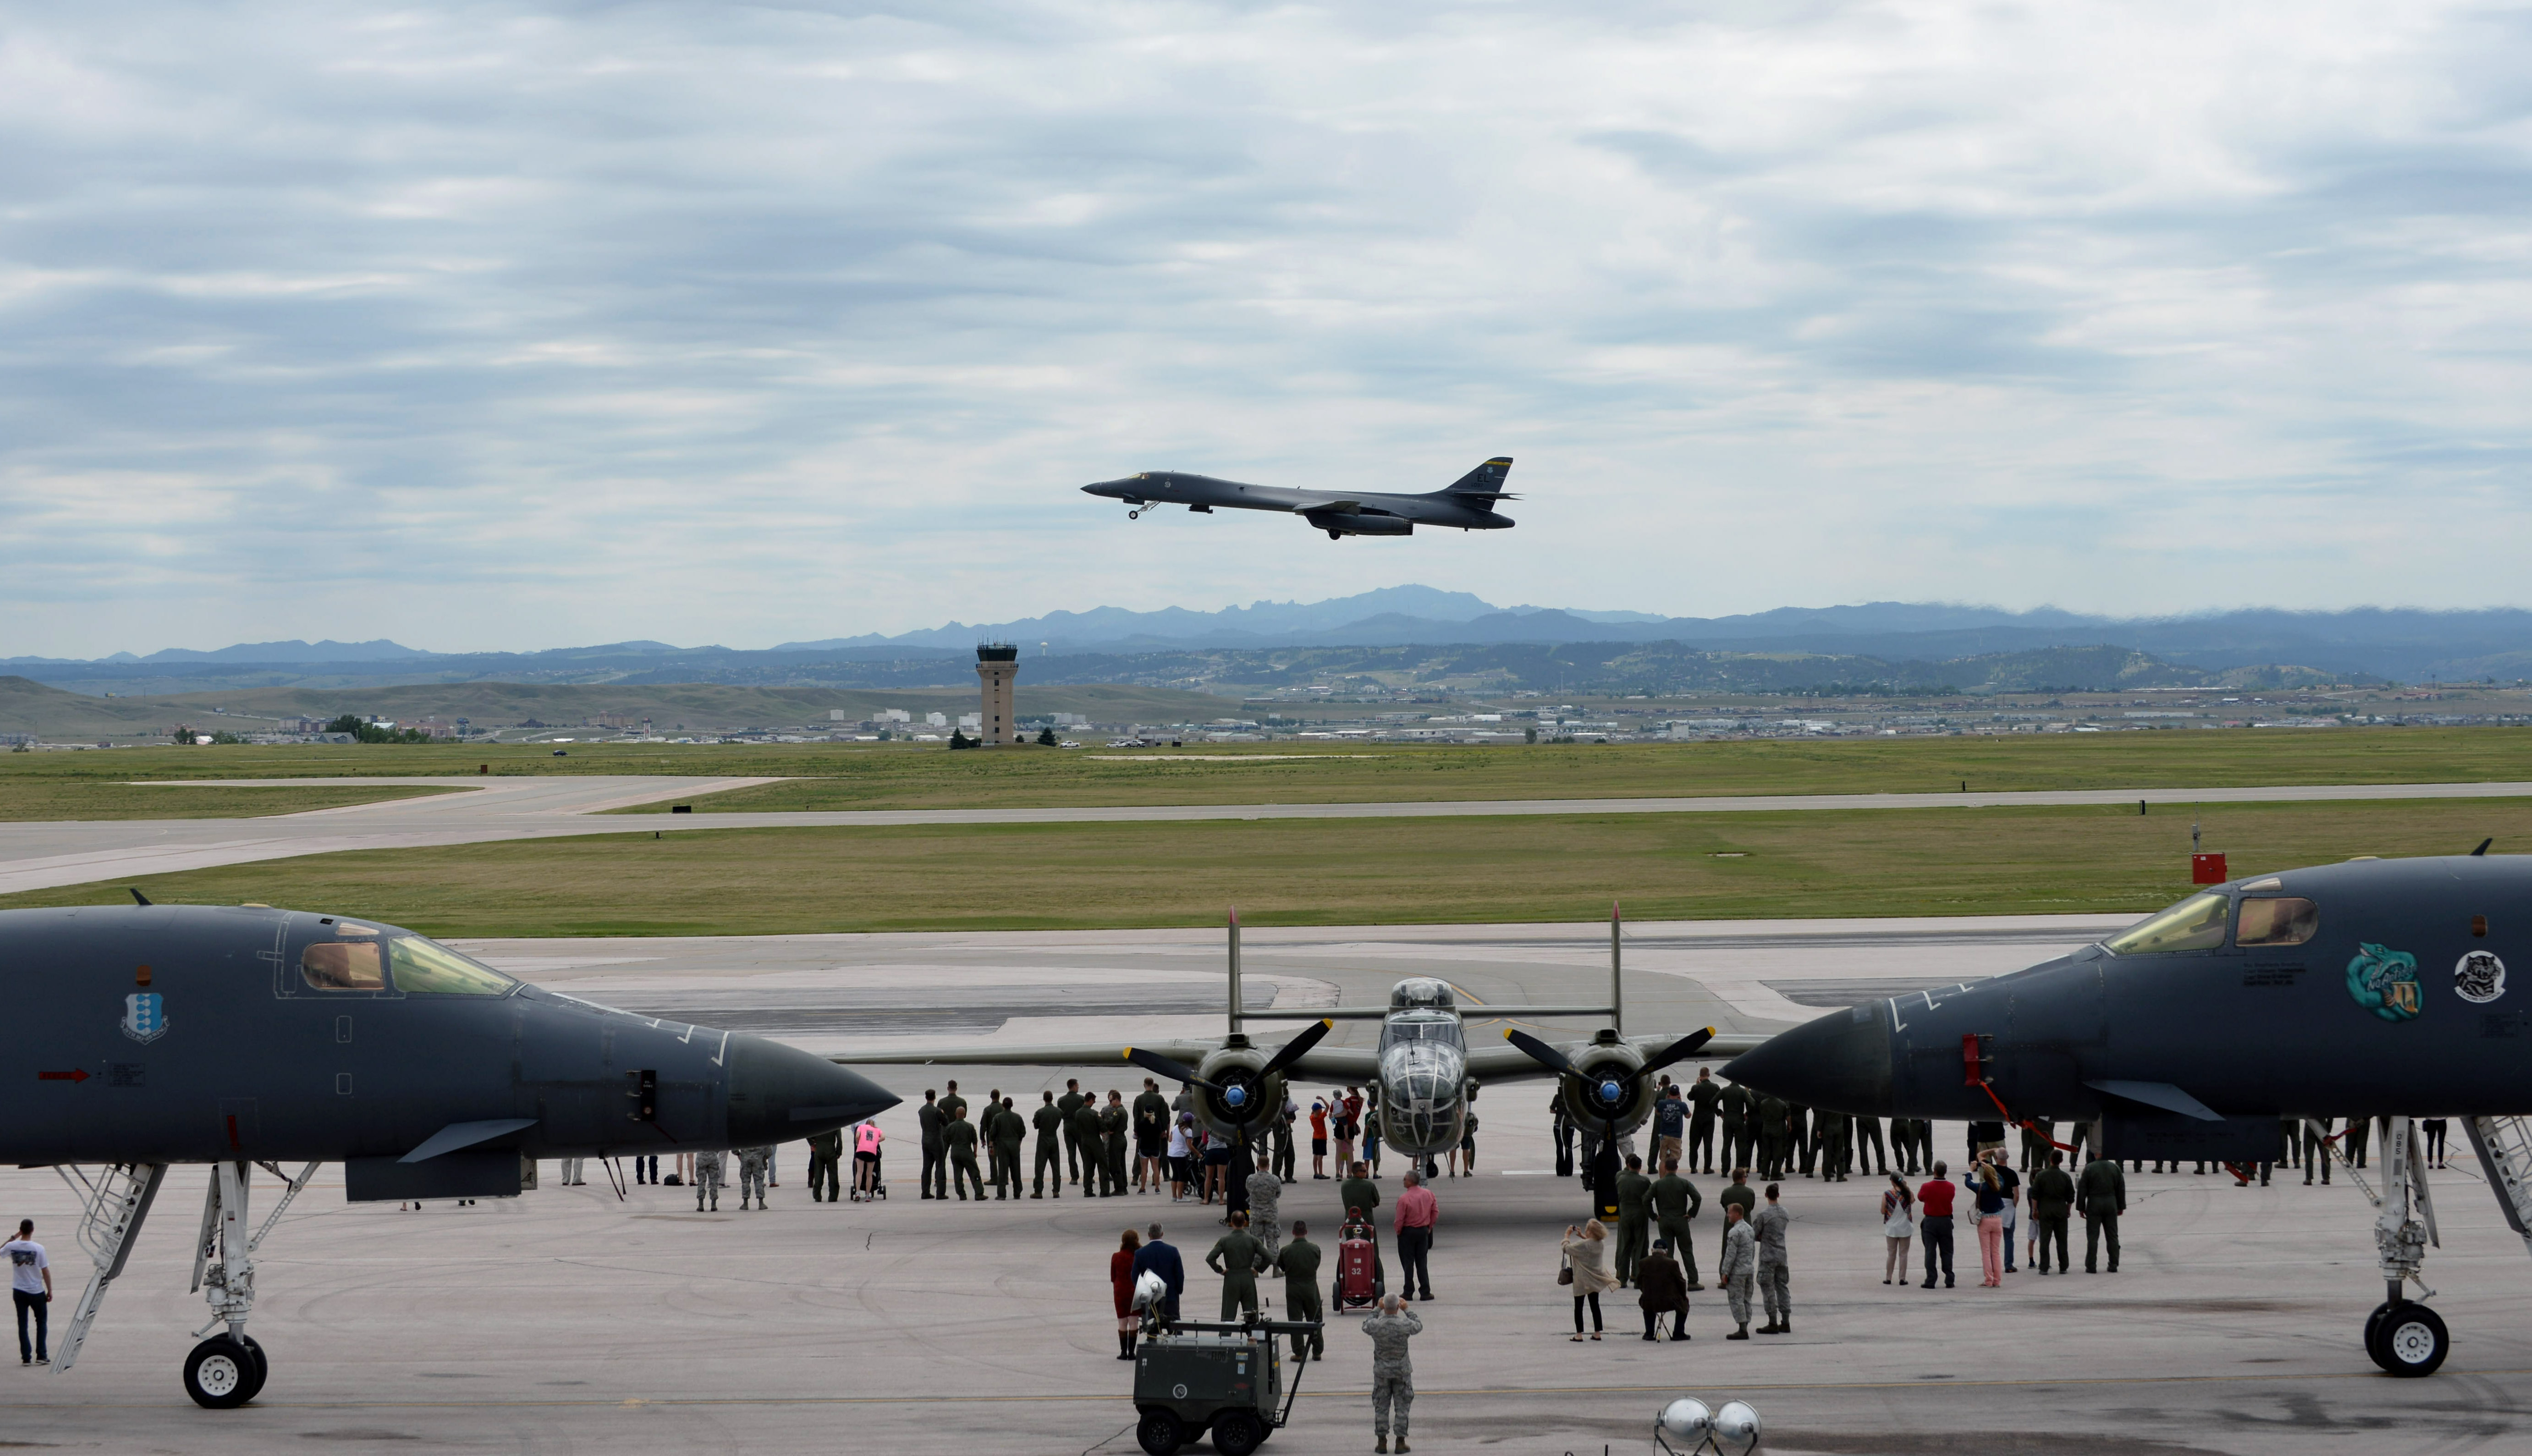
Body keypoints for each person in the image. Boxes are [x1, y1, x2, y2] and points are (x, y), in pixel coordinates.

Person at [1361, 1293, 1423, 1455]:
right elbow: (1419, 1325)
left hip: (1382, 1372)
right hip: (1401, 1372)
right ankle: (1400, 1442)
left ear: (1385, 1307)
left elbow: (1365, 1325)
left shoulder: (1376, 1325)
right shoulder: (1404, 1324)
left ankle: (1382, 1442)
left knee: (1382, 1407)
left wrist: (1377, 1308)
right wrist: (1407, 1310)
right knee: (1402, 1407)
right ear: (1397, 1307)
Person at [1207, 1211, 1271, 1320]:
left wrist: (1220, 1270)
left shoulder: (1225, 1241)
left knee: (1228, 1317)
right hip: (1248, 1278)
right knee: (1252, 1316)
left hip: (1231, 1278)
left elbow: (1210, 1258)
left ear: (1232, 1223)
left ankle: (1225, 1336)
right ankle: (1253, 1336)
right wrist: (1258, 1269)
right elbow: (1268, 1257)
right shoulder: (1252, 1240)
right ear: (1245, 1222)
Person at [1277, 1220, 1325, 1363]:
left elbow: (1282, 1267)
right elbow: (1316, 1265)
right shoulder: (1315, 1249)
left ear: (1293, 1233)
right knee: (1315, 1320)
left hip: (1293, 1289)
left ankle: (1299, 1352)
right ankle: (1317, 1351)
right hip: (1311, 1288)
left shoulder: (1286, 1251)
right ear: (1306, 1232)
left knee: (1295, 1321)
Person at [1651, 1158, 1703, 1289]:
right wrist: (1691, 1213)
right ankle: (1693, 1281)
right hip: (1681, 1221)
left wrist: (1654, 1216)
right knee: (1687, 1251)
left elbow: (1646, 1200)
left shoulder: (1658, 1184)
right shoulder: (1684, 1183)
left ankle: (1669, 1281)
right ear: (1677, 1168)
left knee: (1667, 1253)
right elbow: (1697, 1198)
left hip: (1664, 1220)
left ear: (1666, 1169)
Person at [1560, 1219, 1613, 1341]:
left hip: (1582, 1280)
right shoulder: (1601, 1244)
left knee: (1579, 1307)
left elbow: (1566, 1248)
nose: (1585, 1231)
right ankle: (1597, 1333)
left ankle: (1579, 1335)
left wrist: (1567, 1235)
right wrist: (1583, 1237)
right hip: (1594, 1280)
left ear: (1591, 1232)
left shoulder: (1583, 1245)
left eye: (1587, 1230)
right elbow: (1591, 1246)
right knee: (1595, 1305)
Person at [6, 1221, 49, 1366]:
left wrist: (13, 1238)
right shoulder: (39, 1248)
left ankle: (26, 1357)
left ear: (20, 1230)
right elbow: (45, 1270)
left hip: (19, 1290)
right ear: (33, 1231)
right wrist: (50, 1290)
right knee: (41, 1322)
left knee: (23, 1324)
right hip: (36, 1291)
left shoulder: (12, 1246)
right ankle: (41, 1355)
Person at [1339, 1162, 1384, 1295]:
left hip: (1350, 1223)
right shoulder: (1369, 1185)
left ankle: (1351, 1282)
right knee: (1373, 1253)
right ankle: (1378, 1282)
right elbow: (1377, 1201)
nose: (1366, 1173)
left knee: (1351, 1254)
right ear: (1358, 1172)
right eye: (1364, 1171)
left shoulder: (1345, 1185)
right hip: (1366, 1223)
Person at [2079, 1149, 2127, 1273]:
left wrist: (2081, 1207)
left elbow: (2082, 1189)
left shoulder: (2089, 1168)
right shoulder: (2115, 1168)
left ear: (2096, 1155)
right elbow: (2121, 1188)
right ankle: (2114, 1264)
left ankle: (2091, 1265)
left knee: (2093, 1237)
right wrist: (2121, 1206)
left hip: (2094, 1204)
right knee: (2112, 1236)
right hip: (2111, 1203)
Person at [1752, 1183, 1791, 1333]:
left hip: (1768, 1255)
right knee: (1782, 1287)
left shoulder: (1763, 1215)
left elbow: (1754, 1233)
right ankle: (1786, 1321)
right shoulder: (1785, 1213)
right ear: (1778, 1195)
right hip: (1782, 1255)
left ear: (1766, 1195)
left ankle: (1773, 1322)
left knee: (1768, 1288)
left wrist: (1762, 1236)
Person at [1635, 1236, 1691, 1341]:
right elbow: (1682, 1282)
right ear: (1666, 1252)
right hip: (1669, 1302)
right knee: (1684, 1304)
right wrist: (1683, 1297)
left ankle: (1649, 1333)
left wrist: (1646, 1293)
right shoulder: (1673, 1263)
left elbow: (1639, 1282)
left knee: (1647, 1305)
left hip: (1649, 1302)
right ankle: (1678, 1333)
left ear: (1652, 1251)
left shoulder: (1643, 1262)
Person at [2029, 1150, 2075, 1275]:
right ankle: (2064, 1266)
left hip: (2045, 1210)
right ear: (2061, 1161)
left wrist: (2035, 1210)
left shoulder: (2041, 1176)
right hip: (2060, 1209)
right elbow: (2071, 1196)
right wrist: (2068, 1209)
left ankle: (2044, 1267)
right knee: (2062, 1240)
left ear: (2050, 1159)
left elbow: (2035, 1195)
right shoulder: (2065, 1177)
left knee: (2045, 1240)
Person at [1393, 1170, 1437, 1301]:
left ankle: (1408, 1291)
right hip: (1423, 1231)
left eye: (1405, 1179)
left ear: (1411, 1181)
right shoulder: (1429, 1194)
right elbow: (1435, 1211)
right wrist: (1429, 1227)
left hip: (1408, 1232)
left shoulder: (1404, 1199)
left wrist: (1399, 1231)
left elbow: (1399, 1219)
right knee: (1422, 1262)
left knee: (1408, 1263)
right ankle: (1425, 1291)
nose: (1404, 1181)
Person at [1131, 1223, 1185, 1323]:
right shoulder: (1173, 1251)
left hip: (1150, 1296)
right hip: (1170, 1296)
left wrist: (1142, 1291)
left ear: (1149, 1234)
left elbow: (1134, 1276)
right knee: (1175, 1328)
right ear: (1162, 1234)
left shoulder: (1140, 1253)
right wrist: (1178, 1291)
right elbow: (1180, 1274)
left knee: (1152, 1330)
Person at [1965, 1153, 2005, 1286]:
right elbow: (1998, 1175)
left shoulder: (1981, 1188)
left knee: (1986, 1252)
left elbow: (1968, 1183)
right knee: (1996, 1251)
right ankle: (1998, 1280)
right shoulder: (1999, 1185)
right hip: (1997, 1218)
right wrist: (1986, 1165)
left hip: (1985, 1220)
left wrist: (1970, 1171)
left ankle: (1989, 1279)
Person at [1718, 1203, 1756, 1340]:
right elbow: (1753, 1251)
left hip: (1738, 1272)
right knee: (1747, 1299)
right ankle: (1745, 1326)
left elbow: (1730, 1255)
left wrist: (1725, 1272)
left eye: (1730, 1213)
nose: (1728, 1215)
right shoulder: (1750, 1229)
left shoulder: (1735, 1232)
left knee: (1737, 1299)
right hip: (1749, 1269)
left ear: (1737, 1214)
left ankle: (1742, 1329)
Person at [1613, 1154, 1651, 1287]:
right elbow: (1648, 1198)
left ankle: (1622, 1278)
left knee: (1625, 1246)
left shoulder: (1620, 1179)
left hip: (1625, 1214)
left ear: (1628, 1165)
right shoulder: (1644, 1181)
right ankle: (1637, 1276)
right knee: (1640, 1246)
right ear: (1640, 1167)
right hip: (1640, 1213)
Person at [1716, 1167, 1756, 1278]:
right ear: (1742, 1179)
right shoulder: (1750, 1192)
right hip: (1746, 1221)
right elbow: (1751, 1206)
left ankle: (1724, 1275)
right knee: (1746, 1250)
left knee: (1727, 1250)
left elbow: (1724, 1205)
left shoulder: (1726, 1192)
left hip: (1729, 1223)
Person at [1112, 1228, 1145, 1360]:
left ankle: (1123, 1352)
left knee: (1122, 1322)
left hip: (1120, 1291)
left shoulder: (1116, 1256)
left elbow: (1113, 1276)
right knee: (1134, 1322)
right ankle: (1132, 1353)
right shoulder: (1139, 1255)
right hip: (1135, 1291)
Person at [1134, 1078, 1172, 1193]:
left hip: (1143, 1133)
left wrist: (1136, 1130)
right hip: (1157, 1133)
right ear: (1153, 1084)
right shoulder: (1160, 1099)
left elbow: (1136, 1116)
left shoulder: (1139, 1099)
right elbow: (1164, 1115)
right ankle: (1157, 1184)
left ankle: (1136, 1178)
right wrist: (1164, 1130)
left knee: (1139, 1157)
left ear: (1144, 1085)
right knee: (1157, 1161)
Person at [1066, 1093, 1104, 1199]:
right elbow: (1103, 1128)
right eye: (1094, 1101)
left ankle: (1087, 1191)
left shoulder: (1077, 1114)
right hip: (1095, 1141)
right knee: (1102, 1165)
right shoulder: (1094, 1114)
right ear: (1091, 1100)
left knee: (1088, 1167)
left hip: (1084, 1141)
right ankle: (1104, 1191)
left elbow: (1077, 1126)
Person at [1879, 1172, 1914, 1285]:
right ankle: (1902, 1279)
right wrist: (1906, 1187)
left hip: (1892, 1228)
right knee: (1903, 1254)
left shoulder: (1887, 1194)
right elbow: (1913, 1201)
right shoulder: (1907, 1193)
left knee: (1891, 1254)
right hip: (1905, 1227)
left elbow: (1883, 1211)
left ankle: (1888, 1278)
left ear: (1892, 1181)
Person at [945, 1104, 985, 1201]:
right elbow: (975, 1142)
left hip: (955, 1152)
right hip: (967, 1152)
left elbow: (947, 1140)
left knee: (958, 1175)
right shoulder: (970, 1127)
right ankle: (979, 1193)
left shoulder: (950, 1127)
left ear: (956, 1114)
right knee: (975, 1173)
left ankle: (962, 1195)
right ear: (965, 1114)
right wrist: (975, 1152)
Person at [1685, 1068, 1720, 1173]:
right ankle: (1707, 1168)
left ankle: (1693, 1167)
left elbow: (1690, 1097)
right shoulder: (1715, 1087)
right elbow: (1718, 1099)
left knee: (1694, 1144)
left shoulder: (1696, 1088)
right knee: (1708, 1144)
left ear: (1700, 1076)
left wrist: (1696, 1085)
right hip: (1709, 1118)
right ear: (1709, 1075)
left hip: (1697, 1118)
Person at [1033, 1090, 1065, 1199]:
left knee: (1040, 1166)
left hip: (1043, 1139)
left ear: (1044, 1099)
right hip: (1054, 1138)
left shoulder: (1040, 1112)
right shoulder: (1059, 1111)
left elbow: (1036, 1126)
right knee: (1056, 1167)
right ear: (1052, 1098)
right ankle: (1056, 1190)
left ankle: (1038, 1191)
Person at [1993, 1149, 2022, 1272]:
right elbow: (2016, 1194)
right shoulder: (2012, 1174)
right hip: (2008, 1205)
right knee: (2009, 1237)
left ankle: (1992, 1264)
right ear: (2008, 1158)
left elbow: (1980, 1156)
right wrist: (2014, 1205)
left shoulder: (1991, 1170)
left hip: (1995, 1204)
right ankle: (2009, 1265)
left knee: (1993, 1238)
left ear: (1996, 1158)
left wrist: (1992, 1150)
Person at [1249, 1164, 1285, 1259]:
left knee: (1257, 1243)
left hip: (1256, 1215)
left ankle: (1256, 1269)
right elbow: (1278, 1194)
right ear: (1269, 1166)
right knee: (1273, 1242)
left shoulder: (1251, 1179)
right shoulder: (1275, 1179)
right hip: (1271, 1215)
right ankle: (1276, 1268)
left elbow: (1249, 1190)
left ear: (1257, 1166)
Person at [1057, 1078, 1087, 1188]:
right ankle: (1088, 1175)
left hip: (1067, 1127)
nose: (1078, 1087)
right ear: (1074, 1086)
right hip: (1079, 1127)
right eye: (1077, 1086)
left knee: (1071, 1153)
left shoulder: (1061, 1100)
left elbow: (1060, 1113)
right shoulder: (1081, 1099)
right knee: (1084, 1152)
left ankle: (1074, 1177)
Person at [1102, 1090, 1132, 1198]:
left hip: (1116, 1140)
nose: (1111, 1103)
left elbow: (1111, 1123)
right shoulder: (1124, 1111)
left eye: (1112, 1101)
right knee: (1122, 1164)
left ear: (1116, 1100)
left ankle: (1119, 1188)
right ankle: (1124, 1186)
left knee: (1115, 1165)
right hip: (1122, 1138)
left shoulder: (1117, 1112)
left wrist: (1106, 1127)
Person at [919, 1088, 946, 1200]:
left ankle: (925, 1192)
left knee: (926, 1167)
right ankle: (940, 1193)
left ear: (926, 1098)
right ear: (934, 1097)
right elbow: (946, 1123)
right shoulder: (937, 1111)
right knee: (940, 1166)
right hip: (936, 1140)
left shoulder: (921, 1111)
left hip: (925, 1139)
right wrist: (943, 1114)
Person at [1652, 1086, 1686, 1175]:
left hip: (1664, 1135)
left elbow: (1658, 1112)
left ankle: (1662, 1179)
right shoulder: (1681, 1105)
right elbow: (1688, 1115)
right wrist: (1680, 1102)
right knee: (1674, 1159)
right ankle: (1671, 1177)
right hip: (1676, 1136)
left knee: (1663, 1159)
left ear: (1669, 1094)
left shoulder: (1662, 1103)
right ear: (1678, 1094)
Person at [804, 1128, 840, 1203]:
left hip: (819, 1149)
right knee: (833, 1175)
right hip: (831, 1150)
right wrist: (839, 1151)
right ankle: (833, 1196)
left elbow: (807, 1133)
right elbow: (839, 1139)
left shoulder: (819, 1122)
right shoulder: (836, 1122)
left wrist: (812, 1144)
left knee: (819, 1174)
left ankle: (817, 1195)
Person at [851, 1119, 884, 1201]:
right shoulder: (877, 1130)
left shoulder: (861, 1127)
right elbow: (884, 1137)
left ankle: (858, 1192)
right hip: (872, 1152)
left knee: (859, 1172)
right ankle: (867, 1195)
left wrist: (858, 1142)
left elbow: (857, 1135)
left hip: (861, 1151)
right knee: (869, 1174)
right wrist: (876, 1141)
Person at [1167, 1113, 1194, 1201]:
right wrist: (1198, 1154)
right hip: (1180, 1154)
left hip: (1171, 1154)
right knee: (1181, 1176)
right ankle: (1180, 1197)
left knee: (1175, 1175)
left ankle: (1174, 1196)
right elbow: (1190, 1146)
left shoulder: (1176, 1128)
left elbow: (1170, 1139)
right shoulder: (1188, 1131)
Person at [736, 1145, 771, 1210]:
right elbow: (769, 1149)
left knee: (745, 1181)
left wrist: (738, 1154)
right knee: (759, 1181)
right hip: (758, 1159)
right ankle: (761, 1203)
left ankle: (745, 1203)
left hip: (745, 1159)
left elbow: (734, 1148)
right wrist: (765, 1157)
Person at [1551, 1092, 1575, 1178]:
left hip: (1558, 1124)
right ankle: (1569, 1171)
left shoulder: (1558, 1097)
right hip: (1570, 1125)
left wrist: (1559, 1112)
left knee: (1559, 1148)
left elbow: (1552, 1110)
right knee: (1569, 1148)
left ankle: (1560, 1171)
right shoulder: (1573, 1097)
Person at [694, 1147, 727, 1212]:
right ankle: (713, 1205)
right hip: (713, 1157)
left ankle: (701, 1205)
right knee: (714, 1182)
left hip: (701, 1157)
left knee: (701, 1182)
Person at [1310, 1098, 1332, 1180]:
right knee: (1320, 1157)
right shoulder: (1321, 1117)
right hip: (1322, 1138)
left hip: (1315, 1138)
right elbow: (1328, 1106)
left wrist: (1314, 1108)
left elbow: (1312, 1112)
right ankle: (1321, 1173)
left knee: (1315, 1155)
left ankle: (1316, 1173)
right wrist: (1322, 1099)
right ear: (1318, 1110)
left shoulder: (1312, 1118)